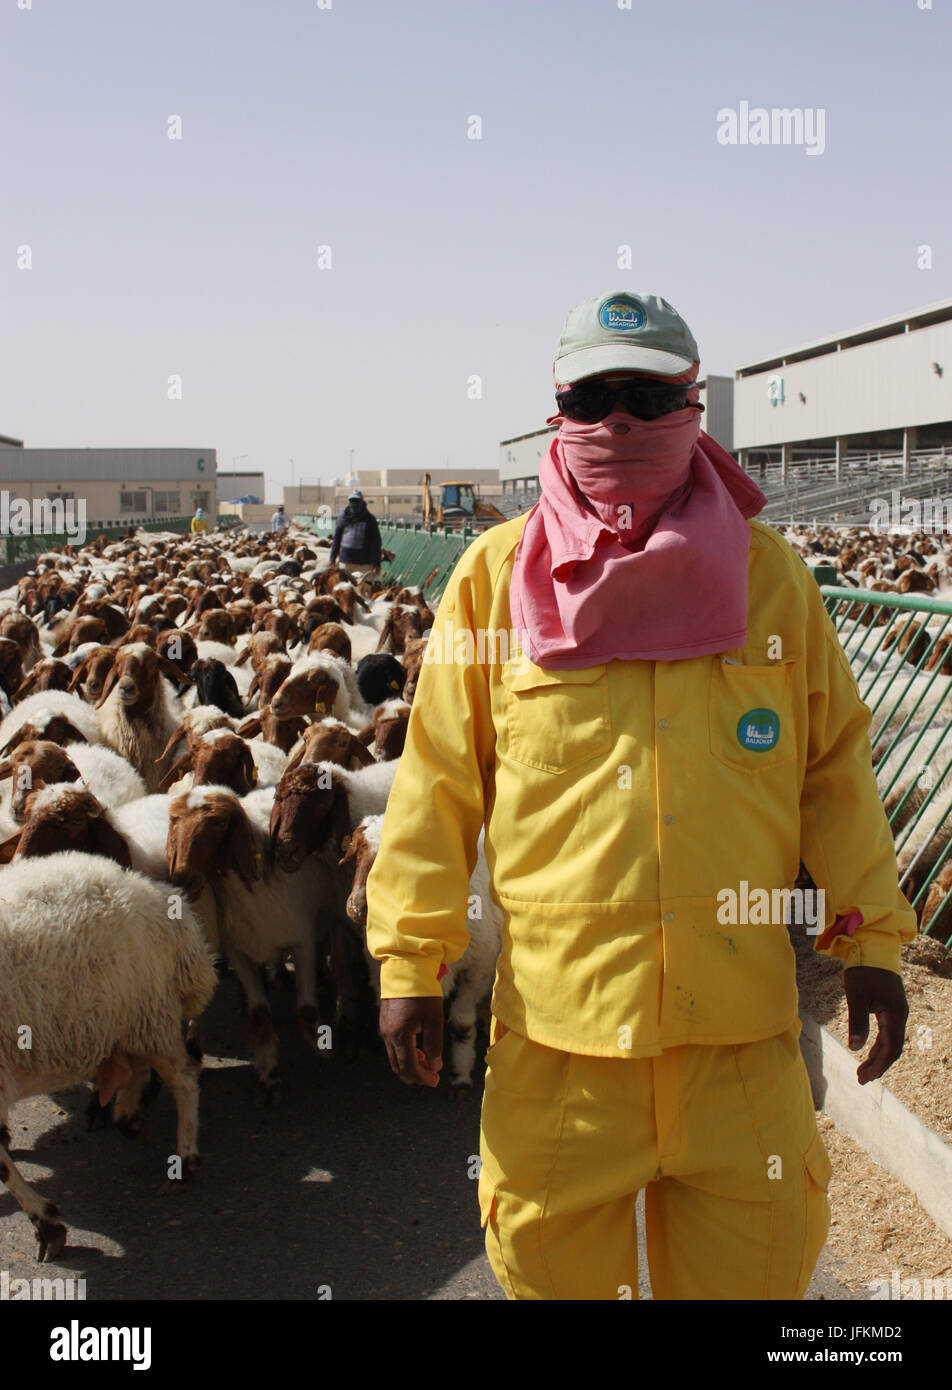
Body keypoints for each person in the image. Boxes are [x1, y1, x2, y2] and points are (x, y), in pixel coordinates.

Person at [365, 290, 914, 1301]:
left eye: (647, 395)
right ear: (558, 407)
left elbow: (832, 769)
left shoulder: (772, 580)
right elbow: (437, 782)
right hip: (559, 1055)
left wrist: (869, 940)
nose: (619, 420)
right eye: (595, 395)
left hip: (738, 1052)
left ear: (693, 404)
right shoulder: (494, 579)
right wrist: (411, 957)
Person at [329, 489, 382, 569]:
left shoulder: (369, 519)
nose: (354, 503)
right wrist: (332, 559)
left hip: (364, 564)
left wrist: (376, 563)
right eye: (352, 500)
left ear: (361, 501)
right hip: (345, 562)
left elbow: (376, 542)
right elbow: (337, 539)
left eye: (357, 500)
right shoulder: (343, 519)